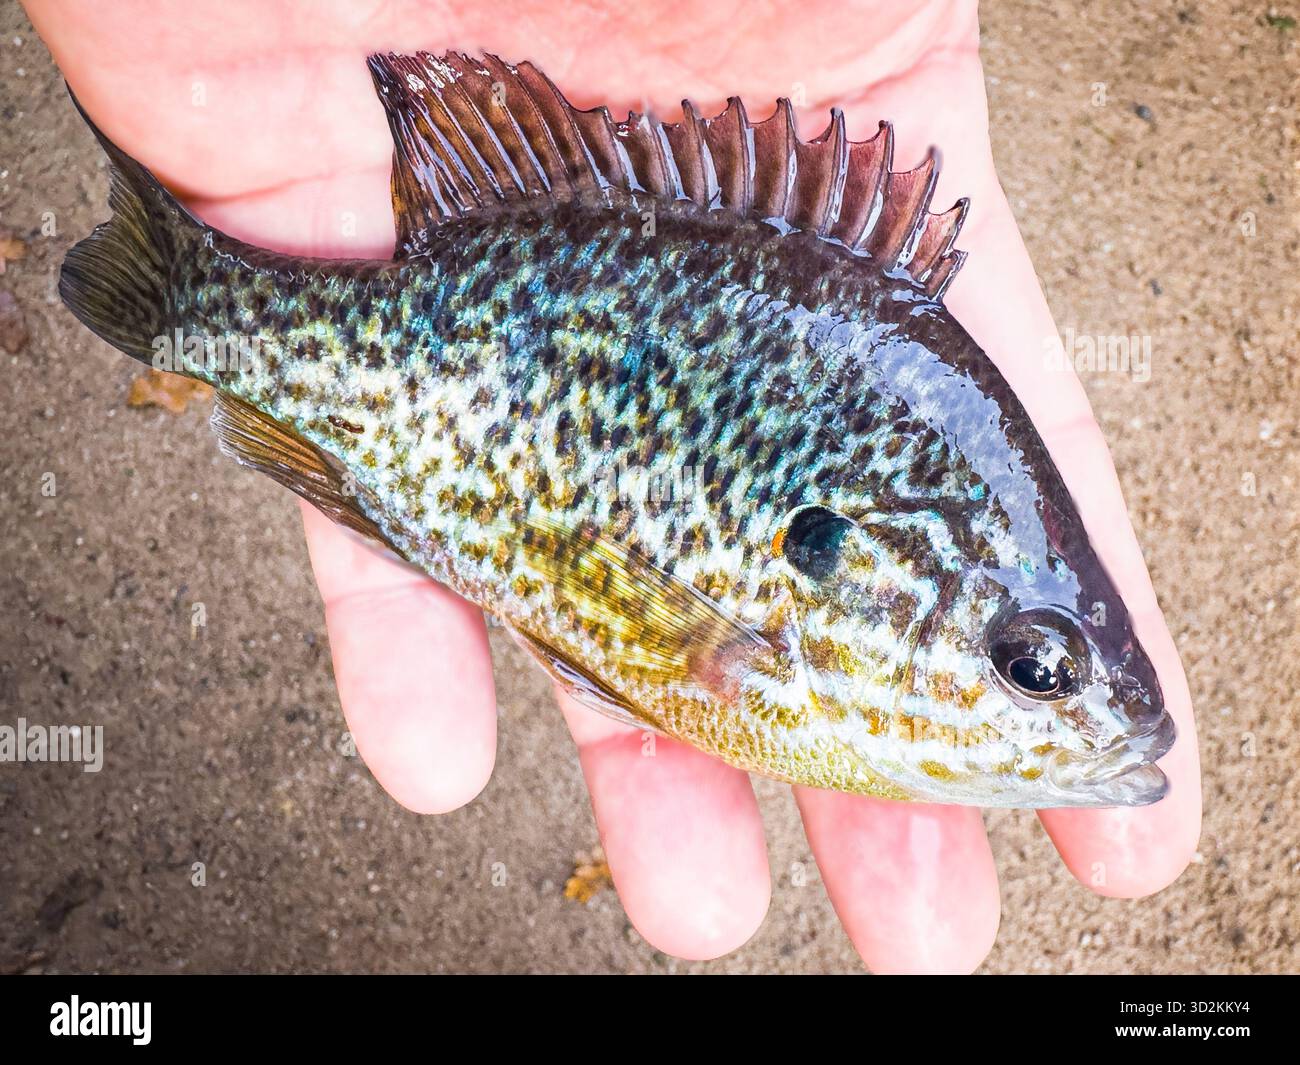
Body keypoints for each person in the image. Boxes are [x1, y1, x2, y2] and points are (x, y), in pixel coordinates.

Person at [25, 0, 1200, 972]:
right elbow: (642, 636)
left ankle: (193, 297)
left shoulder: (799, 629)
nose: (1065, 708)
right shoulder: (759, 657)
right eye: (1035, 667)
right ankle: (192, 297)